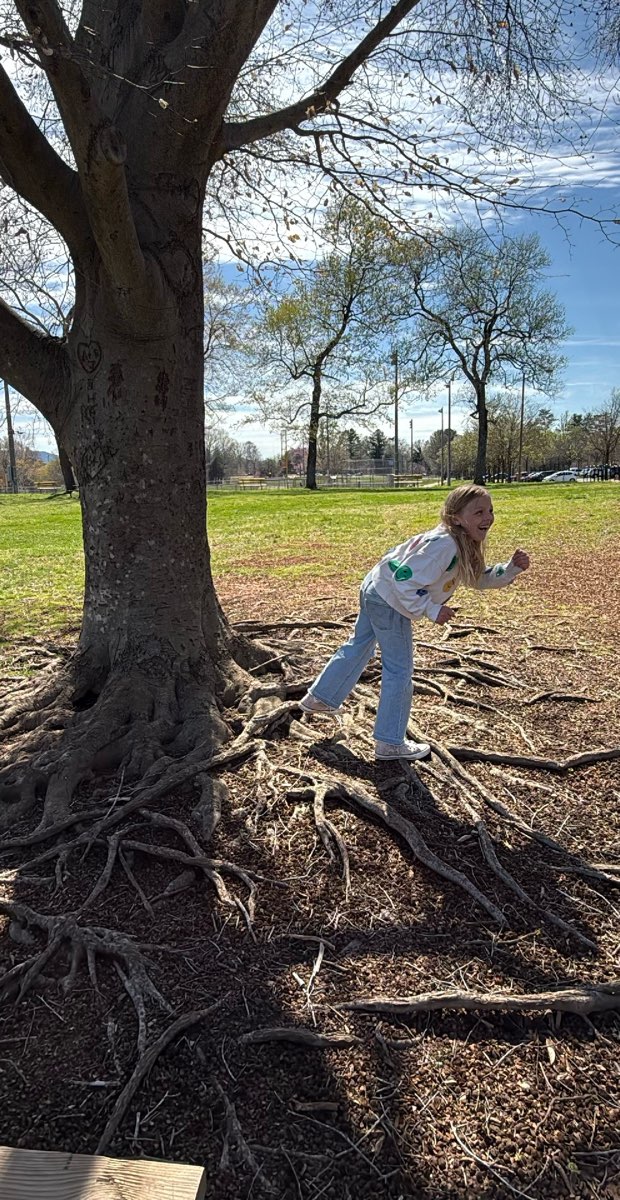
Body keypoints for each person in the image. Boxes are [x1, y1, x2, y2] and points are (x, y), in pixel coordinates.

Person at [299, 484, 530, 761]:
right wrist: (431, 610)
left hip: (376, 587)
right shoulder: (445, 545)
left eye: (490, 511)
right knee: (399, 670)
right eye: (478, 512)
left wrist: (511, 568)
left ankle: (319, 698)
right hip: (390, 599)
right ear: (456, 517)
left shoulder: (458, 542)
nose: (488, 518)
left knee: (360, 645)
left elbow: (477, 577)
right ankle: (389, 742)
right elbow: (404, 580)